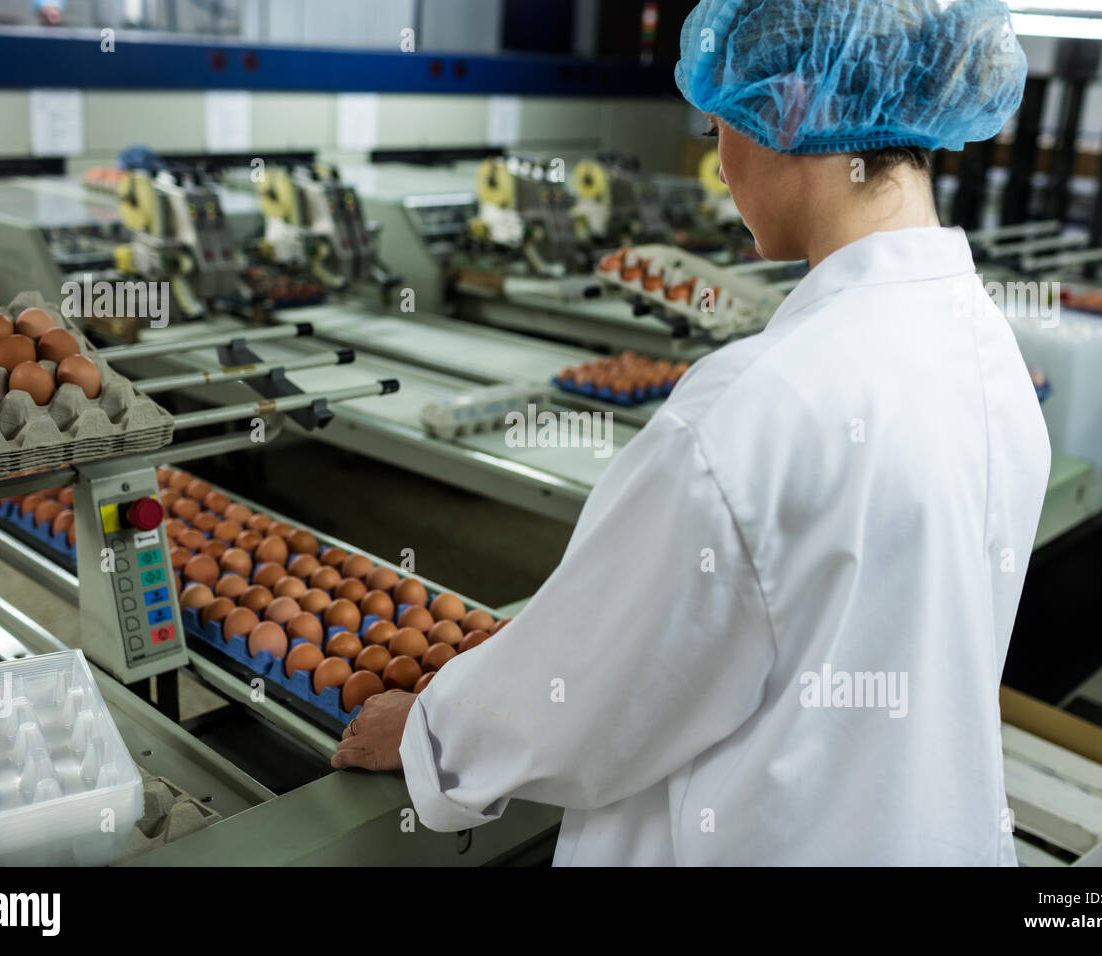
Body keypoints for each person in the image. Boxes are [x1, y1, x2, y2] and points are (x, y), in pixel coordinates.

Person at [334, 0, 1050, 866]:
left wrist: (433, 735)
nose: (720, 166)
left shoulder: (755, 407)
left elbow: (596, 692)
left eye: (721, 127)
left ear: (785, 112)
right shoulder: (985, 350)